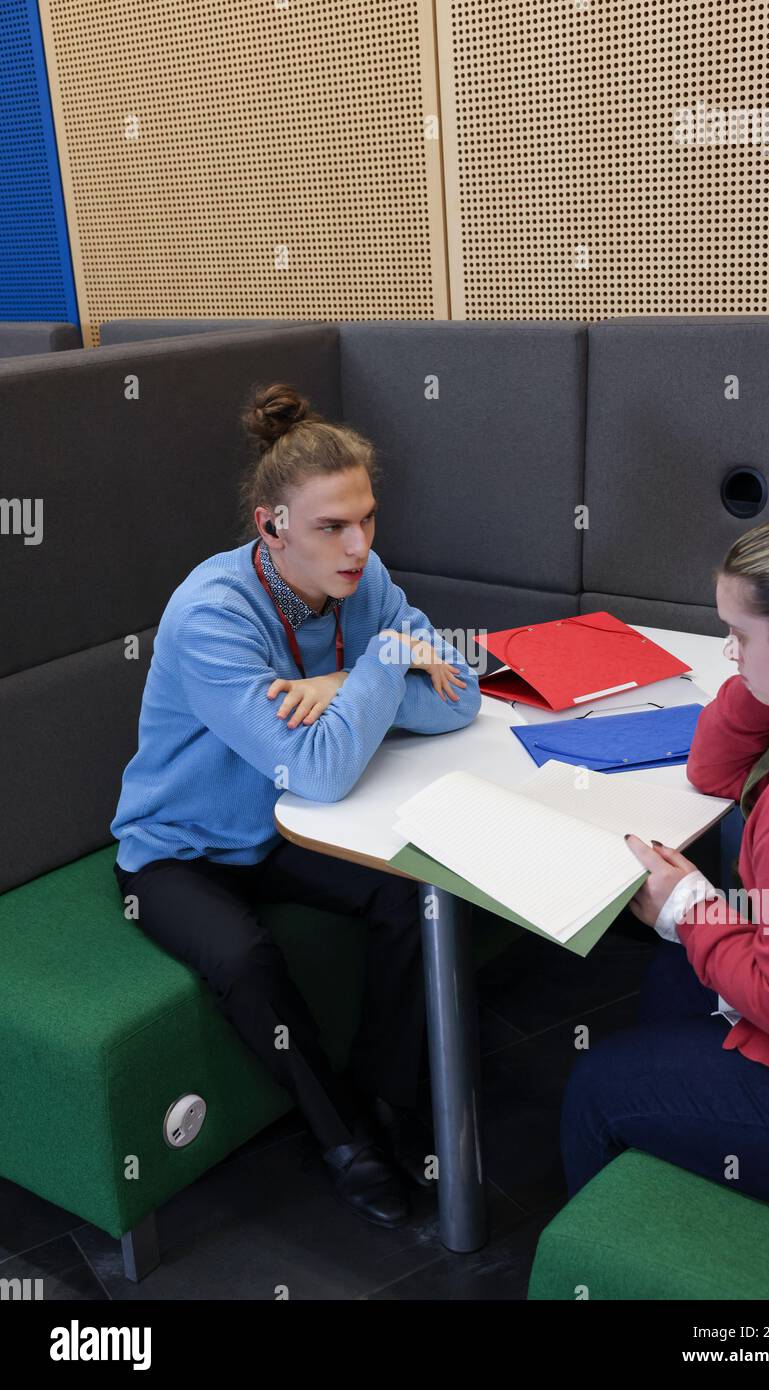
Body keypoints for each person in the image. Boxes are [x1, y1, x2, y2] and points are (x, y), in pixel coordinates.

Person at [111, 382, 481, 1229]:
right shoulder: (212, 613)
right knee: (244, 959)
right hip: (179, 847)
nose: (358, 547)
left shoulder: (365, 576)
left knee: (413, 892)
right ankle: (342, 1136)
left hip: (281, 832)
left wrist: (345, 678)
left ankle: (391, 1100)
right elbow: (317, 769)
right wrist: (389, 664)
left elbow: (459, 696)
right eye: (331, 527)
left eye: (367, 519)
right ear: (269, 524)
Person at [561, 513, 769, 1222]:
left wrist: (689, 906)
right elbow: (713, 766)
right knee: (676, 970)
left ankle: (612, 1256)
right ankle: (691, 1102)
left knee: (598, 1086)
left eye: (737, 633)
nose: (728, 653)